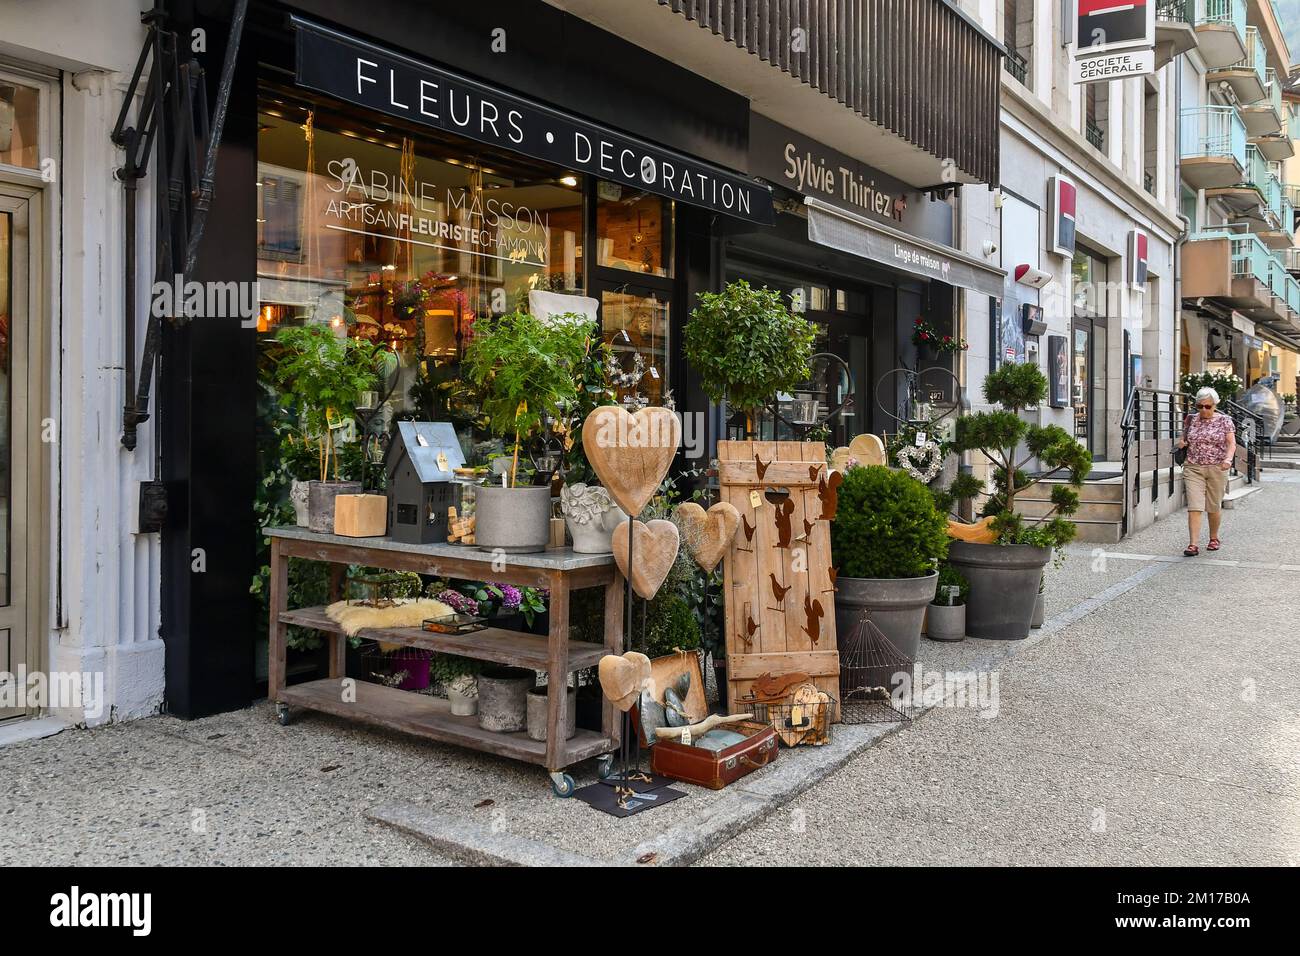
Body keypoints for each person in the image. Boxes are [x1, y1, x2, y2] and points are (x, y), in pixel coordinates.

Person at [1177, 387, 1236, 556]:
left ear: (1215, 405)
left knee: (1213, 506)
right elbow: (1183, 438)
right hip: (1193, 467)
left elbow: (1231, 443)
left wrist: (1228, 459)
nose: (1203, 410)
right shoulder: (1190, 419)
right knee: (1194, 506)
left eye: (1208, 407)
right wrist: (1181, 443)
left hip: (1218, 467)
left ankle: (1213, 538)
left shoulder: (1225, 420)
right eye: (1200, 406)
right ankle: (1193, 544)